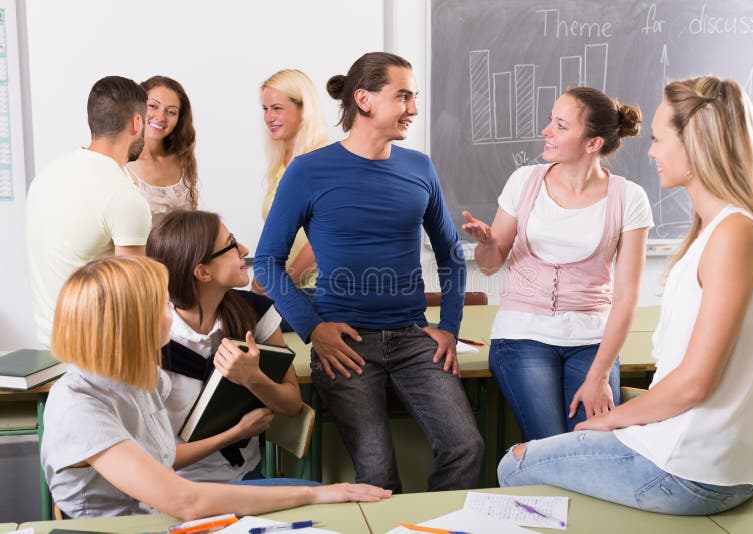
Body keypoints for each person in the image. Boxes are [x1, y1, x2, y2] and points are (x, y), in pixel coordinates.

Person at [497, 76, 753, 515]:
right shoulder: (748, 228)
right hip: (733, 471)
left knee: (515, 464)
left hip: (687, 470)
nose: (651, 150)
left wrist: (608, 421)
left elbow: (693, 384)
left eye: (659, 139)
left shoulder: (732, 234)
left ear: (696, 146)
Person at [254, 52, 483, 493]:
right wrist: (313, 329)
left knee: (466, 446)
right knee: (377, 474)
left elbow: (451, 254)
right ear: (364, 100)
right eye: (402, 96)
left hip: (415, 338)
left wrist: (449, 327)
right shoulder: (308, 171)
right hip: (344, 343)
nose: (413, 108)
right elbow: (267, 261)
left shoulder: (420, 167)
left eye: (413, 97)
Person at [40, 256, 391, 519]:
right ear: (133, 324)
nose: (172, 310)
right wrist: (313, 496)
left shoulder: (140, 376)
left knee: (316, 498)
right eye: (163, 304)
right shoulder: (79, 406)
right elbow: (186, 501)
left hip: (160, 515)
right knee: (315, 498)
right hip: (132, 524)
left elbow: (160, 458)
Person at [462, 87, 652, 440]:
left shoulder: (629, 198)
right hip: (522, 337)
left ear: (592, 143)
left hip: (592, 340)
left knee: (589, 439)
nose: (546, 130)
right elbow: (489, 265)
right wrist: (488, 245)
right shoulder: (524, 181)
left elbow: (626, 297)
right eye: (551, 120)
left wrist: (598, 376)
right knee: (551, 444)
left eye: (561, 125)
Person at [146, 209, 304, 484]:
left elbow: (292, 404)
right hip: (173, 486)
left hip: (245, 478)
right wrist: (236, 433)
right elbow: (153, 460)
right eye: (231, 245)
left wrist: (253, 378)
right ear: (202, 272)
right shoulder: (150, 336)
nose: (244, 249)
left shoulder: (256, 313)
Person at [27, 75, 151, 346]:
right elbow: (133, 300)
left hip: (48, 352)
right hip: (97, 359)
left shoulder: (46, 176)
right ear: (136, 122)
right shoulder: (124, 196)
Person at [258, 69, 328, 289]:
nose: (269, 117)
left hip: (316, 292)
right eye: (265, 109)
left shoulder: (322, 163)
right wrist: (263, 280)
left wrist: (282, 285)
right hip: (289, 290)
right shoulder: (280, 166)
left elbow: (321, 241)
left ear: (304, 110)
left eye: (277, 109)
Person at [125, 75, 198, 224]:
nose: (160, 117)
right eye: (153, 106)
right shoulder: (121, 162)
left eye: (171, 112)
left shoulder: (184, 159)